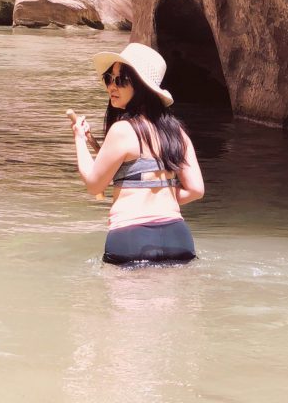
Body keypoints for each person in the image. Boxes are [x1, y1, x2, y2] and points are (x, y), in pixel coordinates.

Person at [67, 42, 204, 265]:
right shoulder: (178, 132)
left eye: (119, 80)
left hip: (130, 238)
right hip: (177, 237)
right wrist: (160, 196)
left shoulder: (122, 130)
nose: (112, 86)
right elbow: (196, 190)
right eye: (108, 79)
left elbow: (94, 185)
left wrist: (80, 139)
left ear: (141, 85)